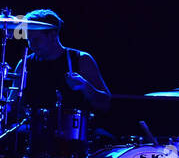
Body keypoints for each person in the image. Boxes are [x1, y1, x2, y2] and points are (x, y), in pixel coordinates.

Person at [13, 9, 111, 142]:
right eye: (29, 40)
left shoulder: (81, 60)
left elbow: (105, 104)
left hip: (75, 137)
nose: (32, 45)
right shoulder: (24, 64)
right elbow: (13, 105)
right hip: (34, 136)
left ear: (52, 34)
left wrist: (85, 86)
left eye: (36, 39)